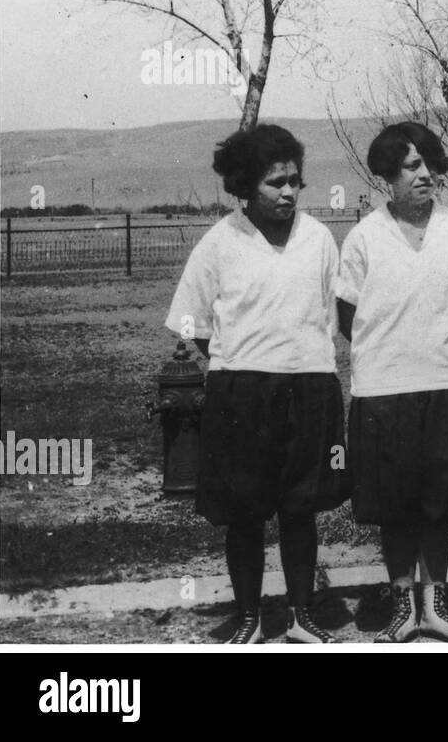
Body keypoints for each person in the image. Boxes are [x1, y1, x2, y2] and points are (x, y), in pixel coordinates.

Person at [165, 124, 347, 644]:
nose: (288, 192)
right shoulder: (219, 243)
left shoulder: (317, 239)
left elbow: (329, 316)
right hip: (241, 394)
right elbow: (194, 326)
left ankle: (300, 615)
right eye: (274, 183)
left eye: (294, 181)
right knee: (245, 511)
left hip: (310, 388)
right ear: (246, 186)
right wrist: (242, 363)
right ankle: (248, 615)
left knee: (300, 508)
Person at [336, 122, 448, 644]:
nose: (424, 174)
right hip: (383, 389)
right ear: (387, 176)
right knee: (396, 503)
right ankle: (404, 603)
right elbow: (346, 317)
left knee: (439, 500)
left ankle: (437, 603)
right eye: (410, 166)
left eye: (428, 163)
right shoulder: (363, 238)